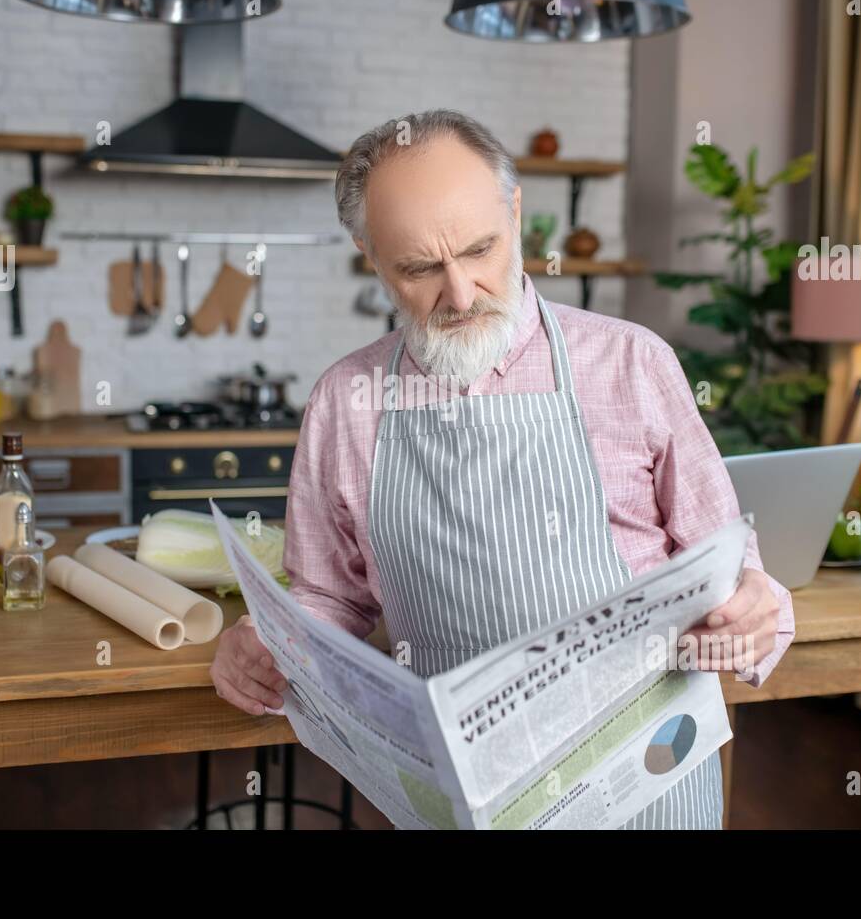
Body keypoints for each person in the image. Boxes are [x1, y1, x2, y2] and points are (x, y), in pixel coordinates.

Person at [210, 109, 795, 828]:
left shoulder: (632, 364)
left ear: (515, 212)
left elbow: (741, 579)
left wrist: (757, 613)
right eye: (420, 268)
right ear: (370, 254)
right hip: (462, 802)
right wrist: (263, 643)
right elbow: (330, 601)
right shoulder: (344, 403)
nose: (460, 294)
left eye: (480, 249)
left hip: (646, 786)